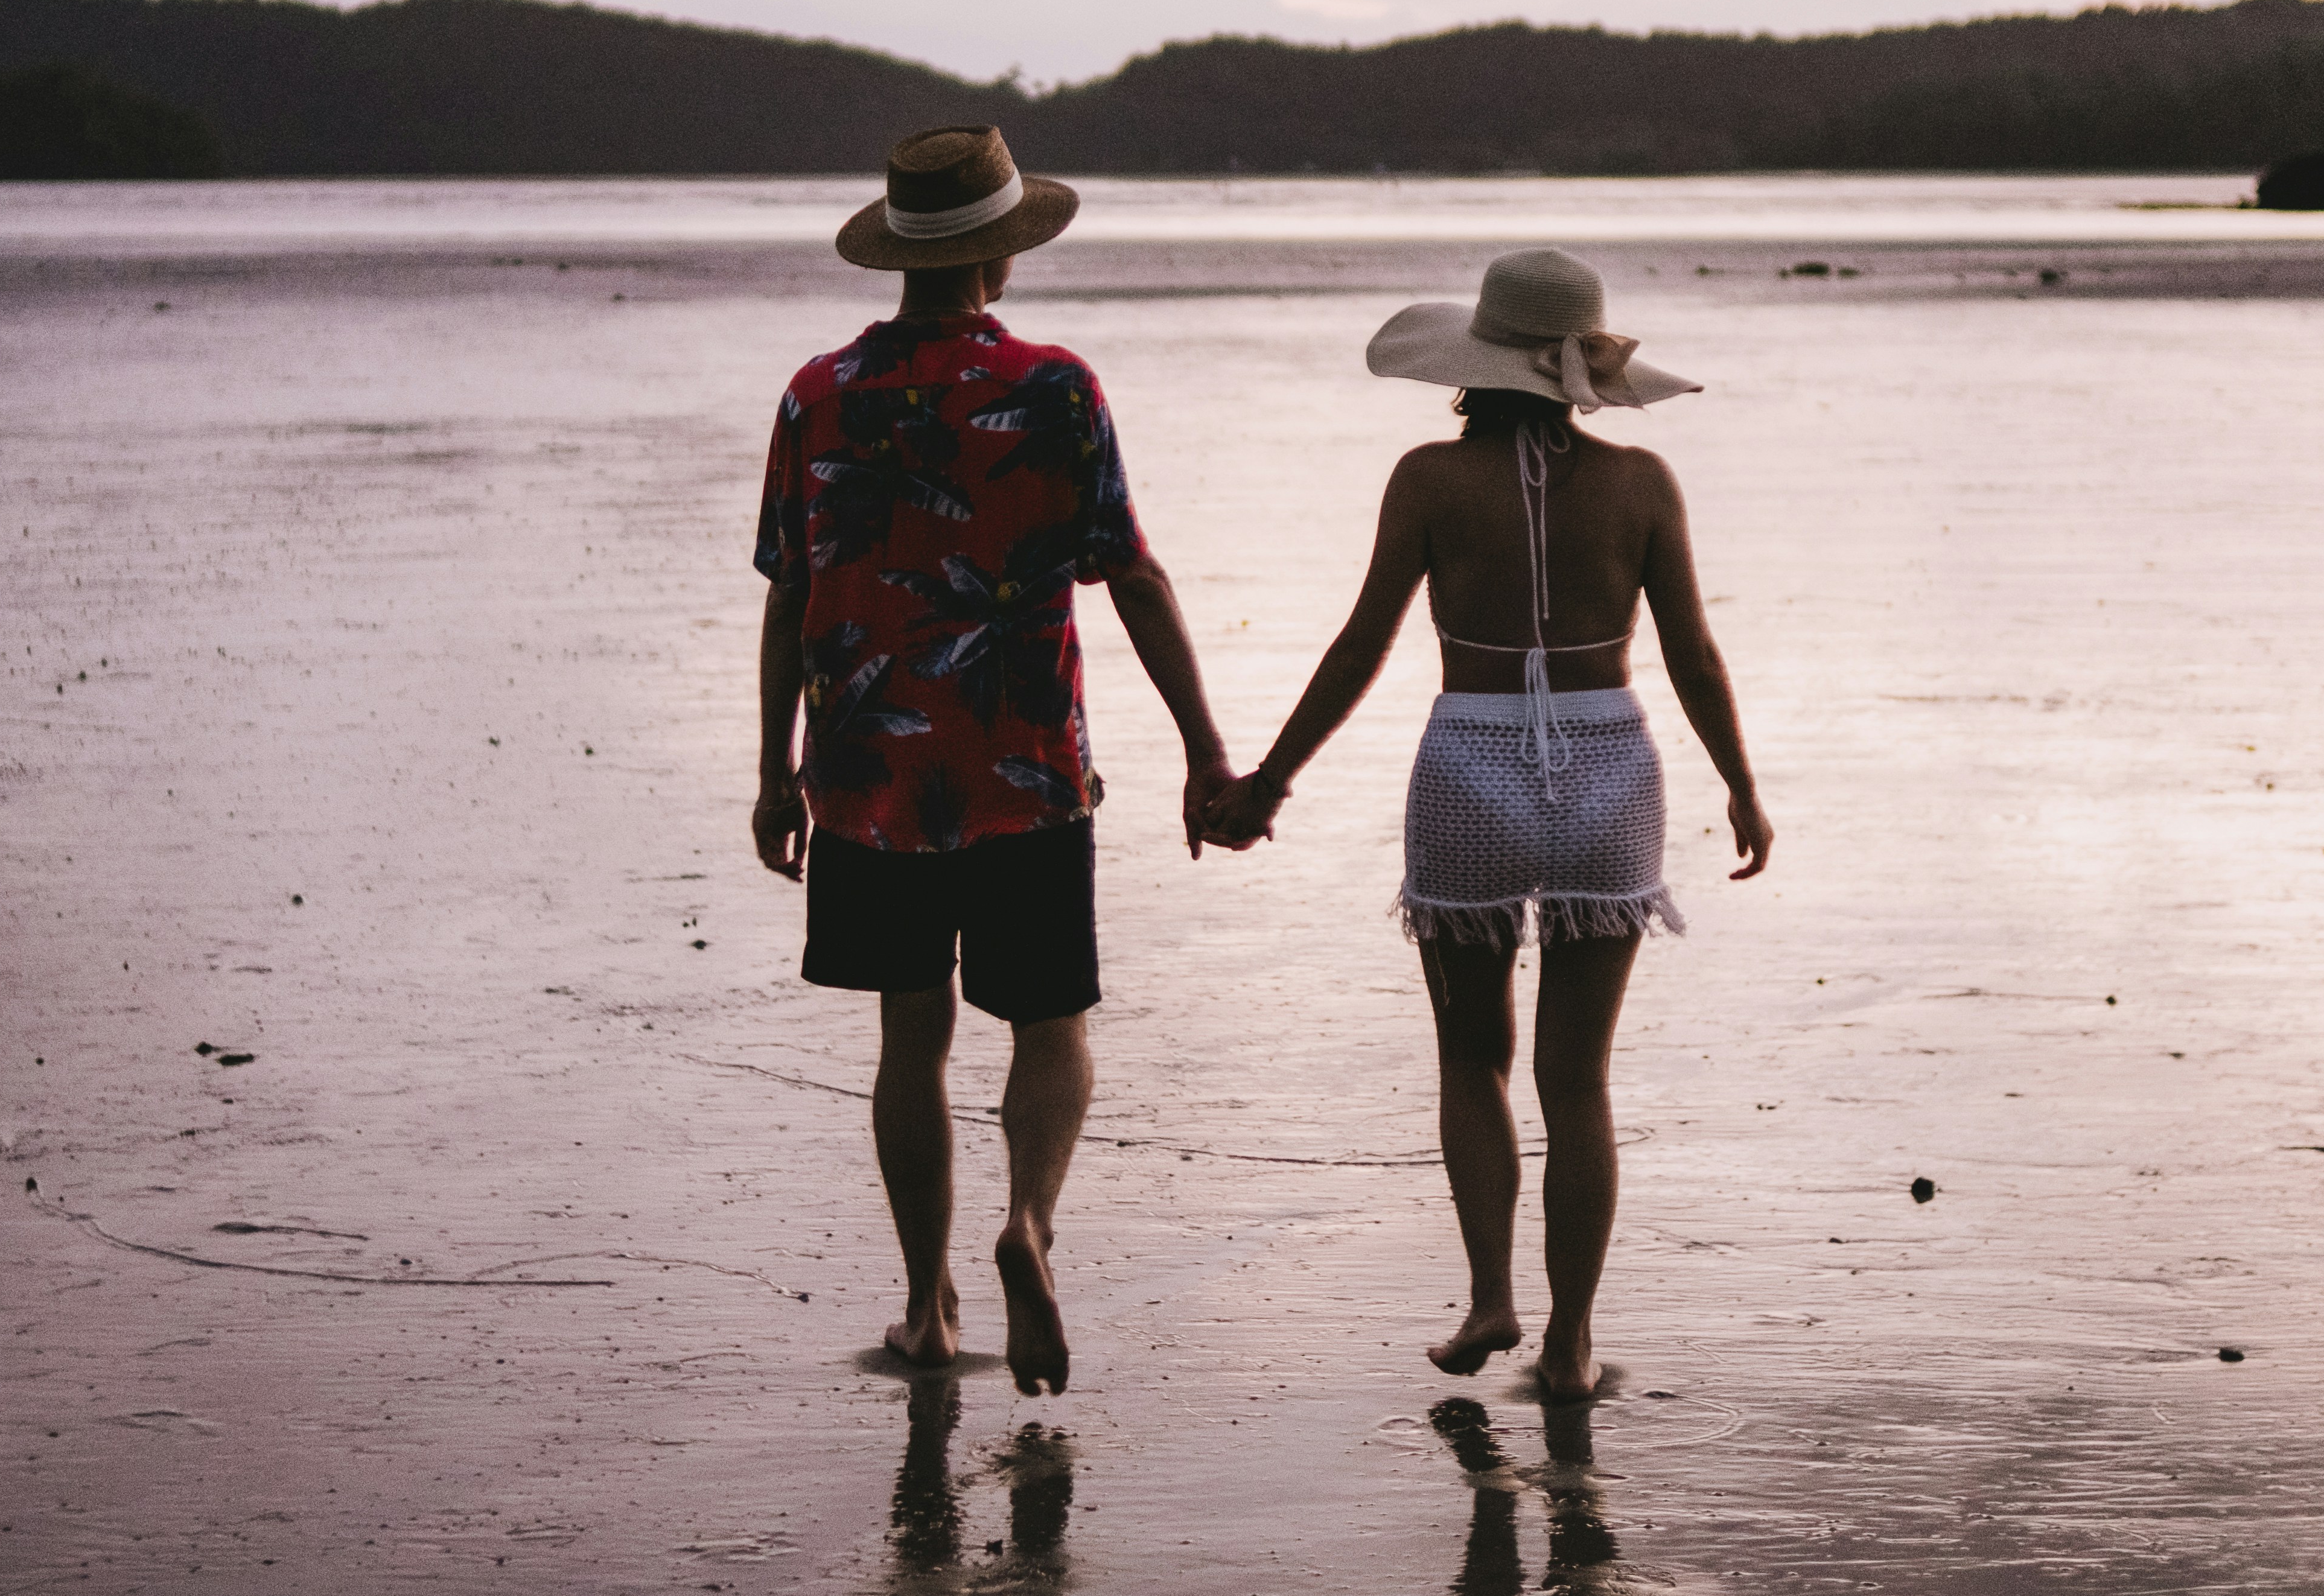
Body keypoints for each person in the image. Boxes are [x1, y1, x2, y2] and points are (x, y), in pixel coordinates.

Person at [1196, 248, 1774, 1402]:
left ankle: (1489, 1296)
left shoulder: (1425, 479)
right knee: (1580, 1080)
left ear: (1477, 364)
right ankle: (1570, 1342)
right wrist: (1741, 784)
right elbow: (1692, 655)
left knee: (1473, 1057)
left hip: (1469, 763)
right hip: (1612, 764)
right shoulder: (1646, 482)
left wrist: (1265, 781)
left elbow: (1361, 645)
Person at [751, 125, 1238, 1397]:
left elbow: (790, 595)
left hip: (866, 773)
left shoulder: (816, 392)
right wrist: (1203, 751)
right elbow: (1129, 574)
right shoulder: (1056, 390)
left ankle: (926, 1308)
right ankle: (1027, 1222)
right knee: (1048, 1021)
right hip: (1024, 766)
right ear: (1000, 258)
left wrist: (771, 767)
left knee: (907, 1036)